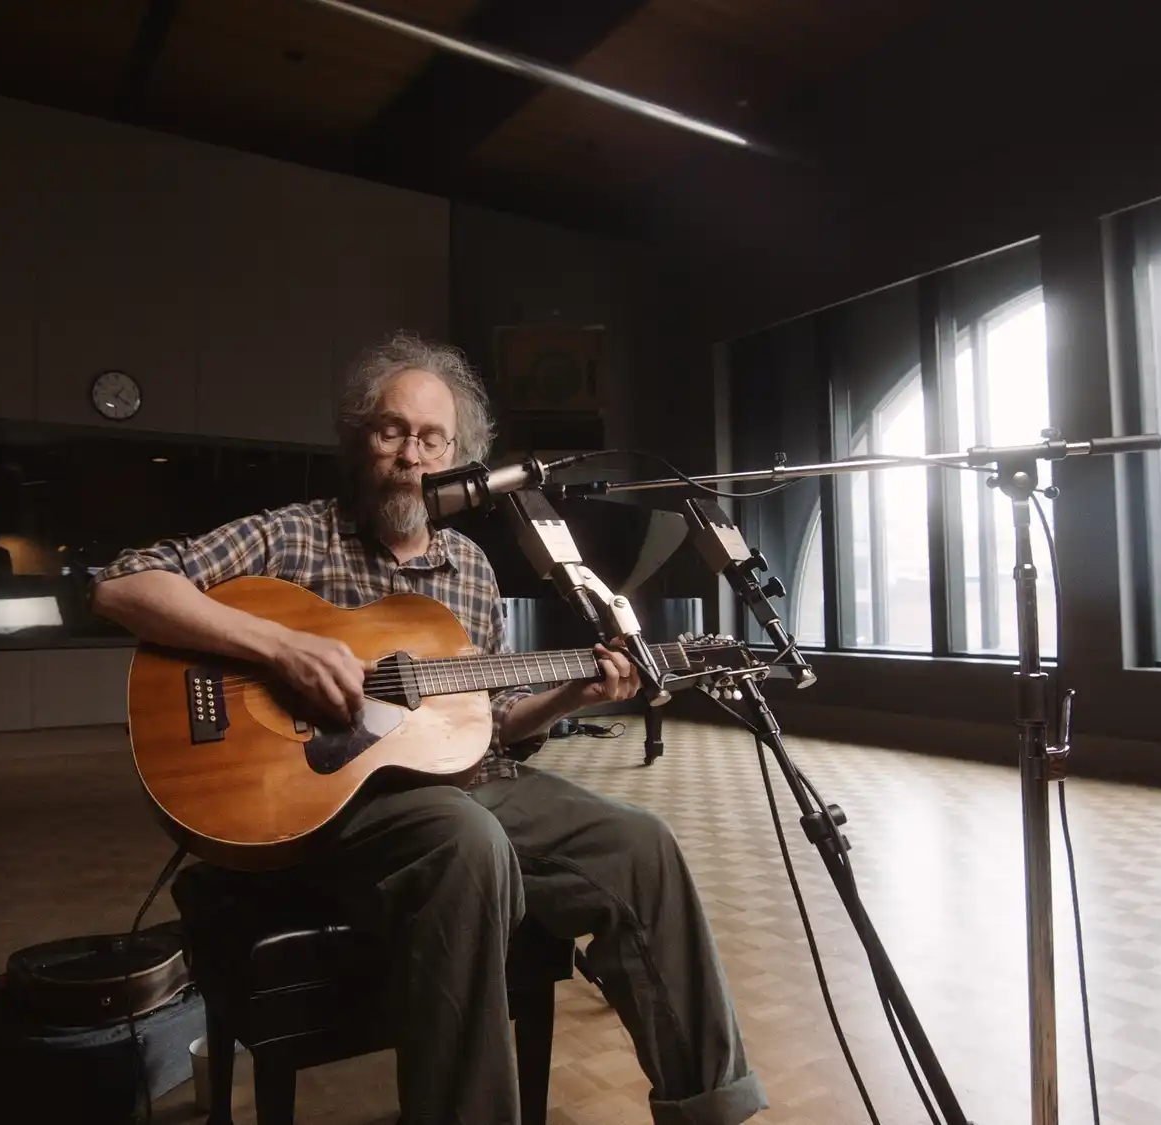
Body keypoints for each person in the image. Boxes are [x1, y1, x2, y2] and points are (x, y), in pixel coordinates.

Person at [89, 332, 767, 1125]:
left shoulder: (471, 568)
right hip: (342, 805)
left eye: (431, 438)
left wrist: (574, 692)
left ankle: (714, 1108)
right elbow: (122, 584)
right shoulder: (295, 534)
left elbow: (493, 729)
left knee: (641, 843)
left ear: (457, 456)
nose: (410, 453)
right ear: (360, 439)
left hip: (467, 785)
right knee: (464, 842)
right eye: (391, 430)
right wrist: (282, 644)